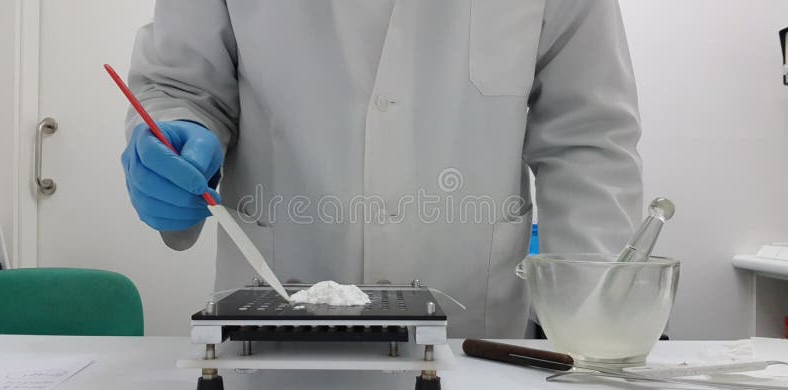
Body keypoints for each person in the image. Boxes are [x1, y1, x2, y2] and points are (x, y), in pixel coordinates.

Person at [122, 0, 643, 338]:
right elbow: (180, 87)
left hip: (474, 338)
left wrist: (590, 320)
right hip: (275, 330)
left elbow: (586, 136)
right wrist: (175, 137)